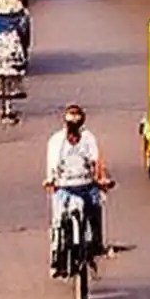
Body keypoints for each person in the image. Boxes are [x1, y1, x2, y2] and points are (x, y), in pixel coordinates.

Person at [44, 104, 111, 276]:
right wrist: (51, 180)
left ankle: (97, 245)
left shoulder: (89, 139)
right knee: (58, 223)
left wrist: (102, 179)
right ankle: (56, 260)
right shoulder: (56, 141)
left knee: (97, 207)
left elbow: (97, 162)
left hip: (86, 186)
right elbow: (52, 166)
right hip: (64, 188)